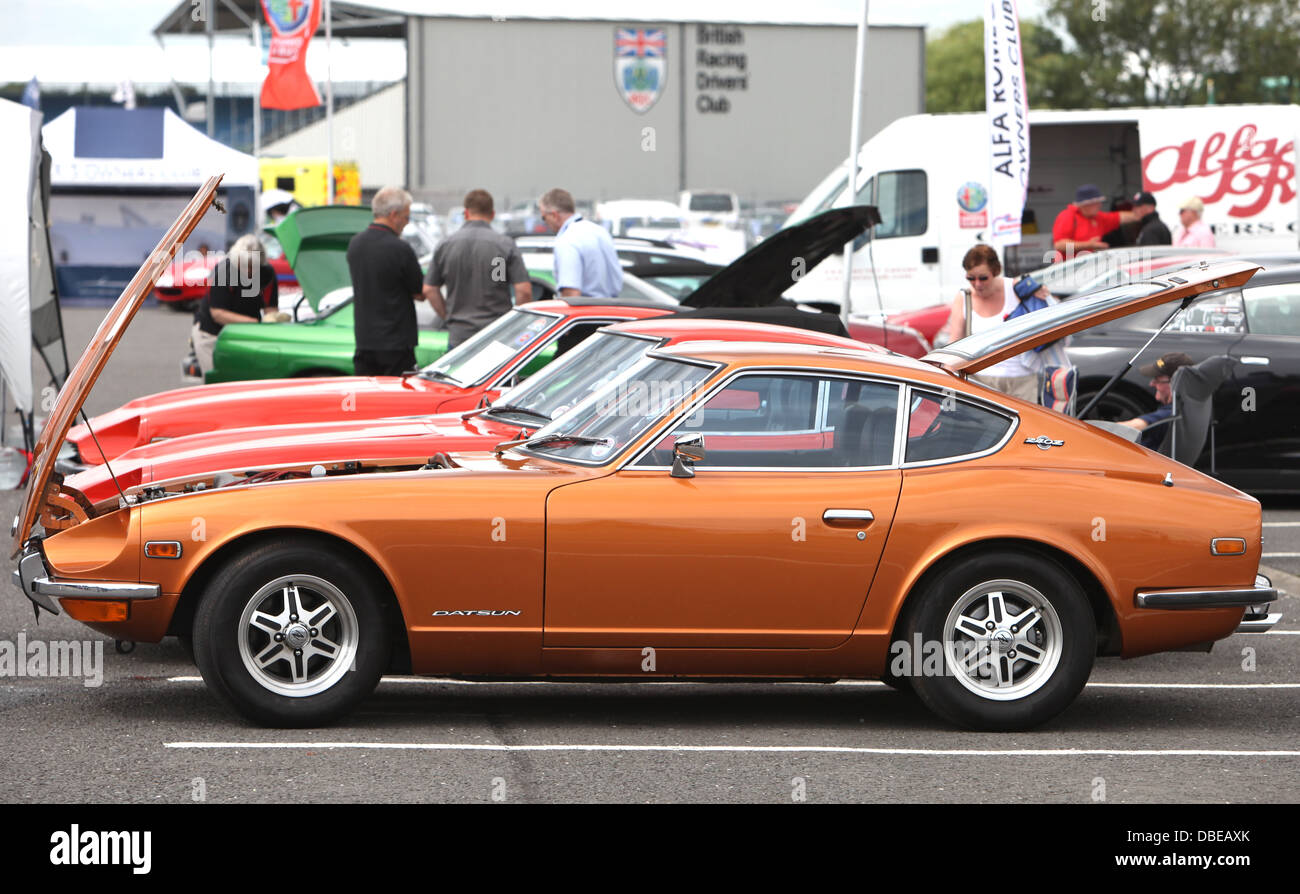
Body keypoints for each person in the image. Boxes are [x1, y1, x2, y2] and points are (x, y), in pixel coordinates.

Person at [423, 189, 532, 349]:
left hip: (459, 336)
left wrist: (449, 317)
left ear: (465, 213)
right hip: (497, 335)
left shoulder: (445, 245)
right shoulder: (503, 245)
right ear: (492, 214)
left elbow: (429, 289)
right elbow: (524, 291)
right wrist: (516, 325)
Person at [943, 244, 1041, 402]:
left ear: (995, 271)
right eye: (971, 278)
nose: (977, 284)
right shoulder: (964, 297)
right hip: (981, 381)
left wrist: (1042, 292)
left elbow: (1042, 319)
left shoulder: (1015, 289)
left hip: (1021, 378)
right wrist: (946, 381)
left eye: (983, 278)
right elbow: (954, 342)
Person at [347, 186, 426, 376]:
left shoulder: (355, 244)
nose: (406, 223)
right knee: (397, 400)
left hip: (364, 340)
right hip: (396, 344)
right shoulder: (400, 248)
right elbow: (420, 292)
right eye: (406, 217)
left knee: (368, 400)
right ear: (394, 215)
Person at [190, 234, 279, 374]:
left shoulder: (267, 273)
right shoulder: (224, 271)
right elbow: (218, 313)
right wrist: (253, 323)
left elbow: (271, 308)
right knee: (217, 382)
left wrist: (273, 320)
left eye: (253, 266)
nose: (249, 271)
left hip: (246, 335)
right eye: (245, 266)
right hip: (212, 334)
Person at [538, 187, 622, 298]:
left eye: (544, 217)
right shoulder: (600, 232)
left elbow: (571, 293)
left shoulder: (568, 240)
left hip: (586, 312)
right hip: (613, 310)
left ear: (554, 215)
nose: (545, 223)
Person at [1117, 352, 1193, 449]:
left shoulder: (1171, 414)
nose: (1152, 384)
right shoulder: (1193, 408)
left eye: (1157, 379)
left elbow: (1126, 429)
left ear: (1175, 383)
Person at [1051, 184, 1138, 259]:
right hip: (1069, 270)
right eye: (1097, 203)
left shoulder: (1098, 217)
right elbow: (1059, 245)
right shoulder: (1067, 216)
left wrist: (1141, 214)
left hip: (1088, 269)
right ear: (1086, 204)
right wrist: (1089, 245)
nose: (1100, 205)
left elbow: (1120, 217)